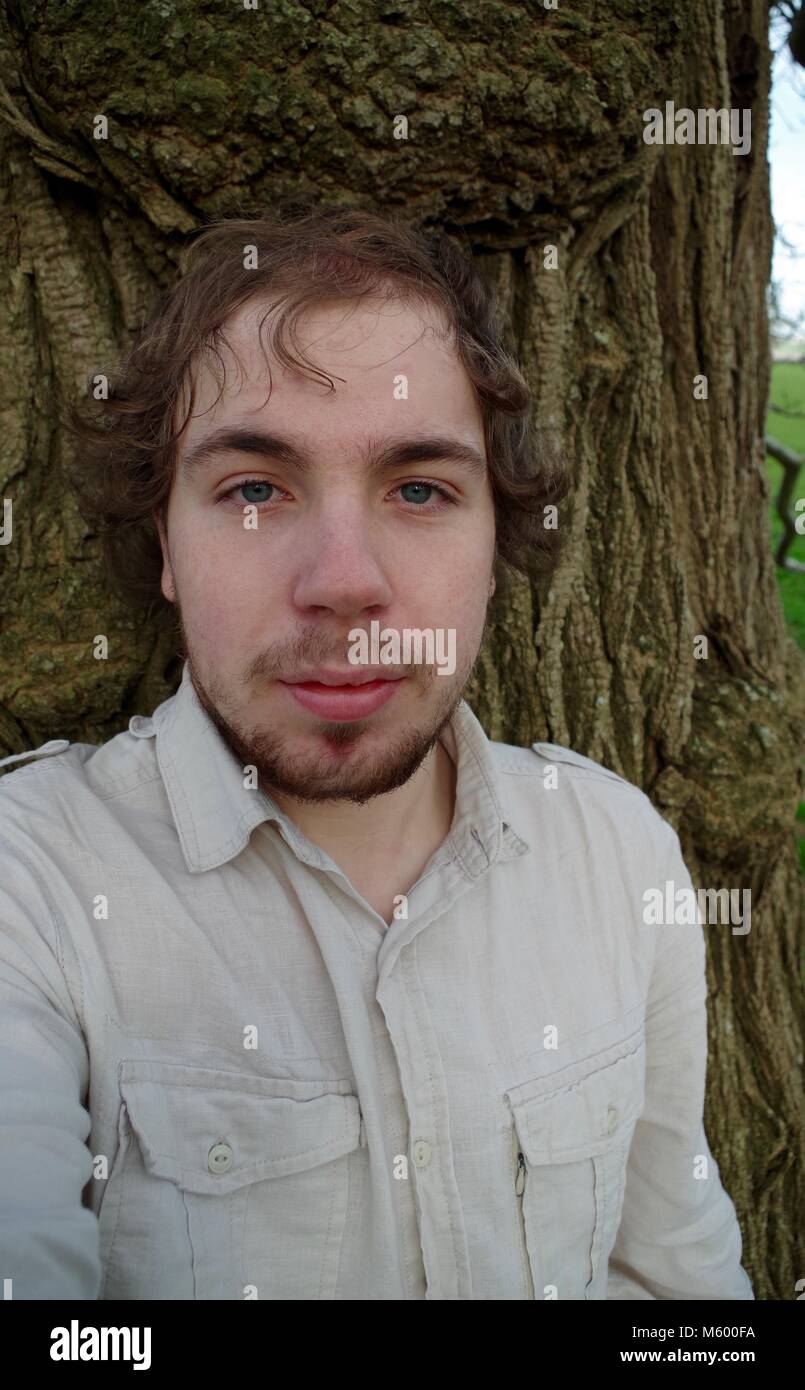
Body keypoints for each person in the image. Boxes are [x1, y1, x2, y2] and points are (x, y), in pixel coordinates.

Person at [0, 205, 753, 1300]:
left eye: (418, 490)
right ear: (165, 543)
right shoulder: (33, 891)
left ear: (498, 543)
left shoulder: (619, 856)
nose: (344, 579)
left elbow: (678, 1284)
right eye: (255, 489)